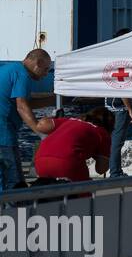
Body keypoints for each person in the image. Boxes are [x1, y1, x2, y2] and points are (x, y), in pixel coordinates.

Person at [0, 49, 51, 191]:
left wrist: (55, 98)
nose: (46, 74)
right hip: (4, 136)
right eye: (46, 69)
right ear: (38, 63)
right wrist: (41, 134)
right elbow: (22, 107)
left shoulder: (9, 69)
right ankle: (16, 212)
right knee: (15, 183)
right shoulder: (22, 74)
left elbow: (25, 103)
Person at [33, 107, 115, 182]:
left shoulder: (70, 120)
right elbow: (101, 169)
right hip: (68, 162)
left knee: (49, 193)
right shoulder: (102, 133)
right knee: (83, 193)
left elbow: (41, 126)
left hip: (41, 159)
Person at [104, 29, 132, 176]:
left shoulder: (112, 58)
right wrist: (130, 109)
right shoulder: (123, 61)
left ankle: (111, 169)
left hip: (109, 104)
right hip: (119, 107)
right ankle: (115, 172)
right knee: (117, 142)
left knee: (111, 140)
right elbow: (122, 86)